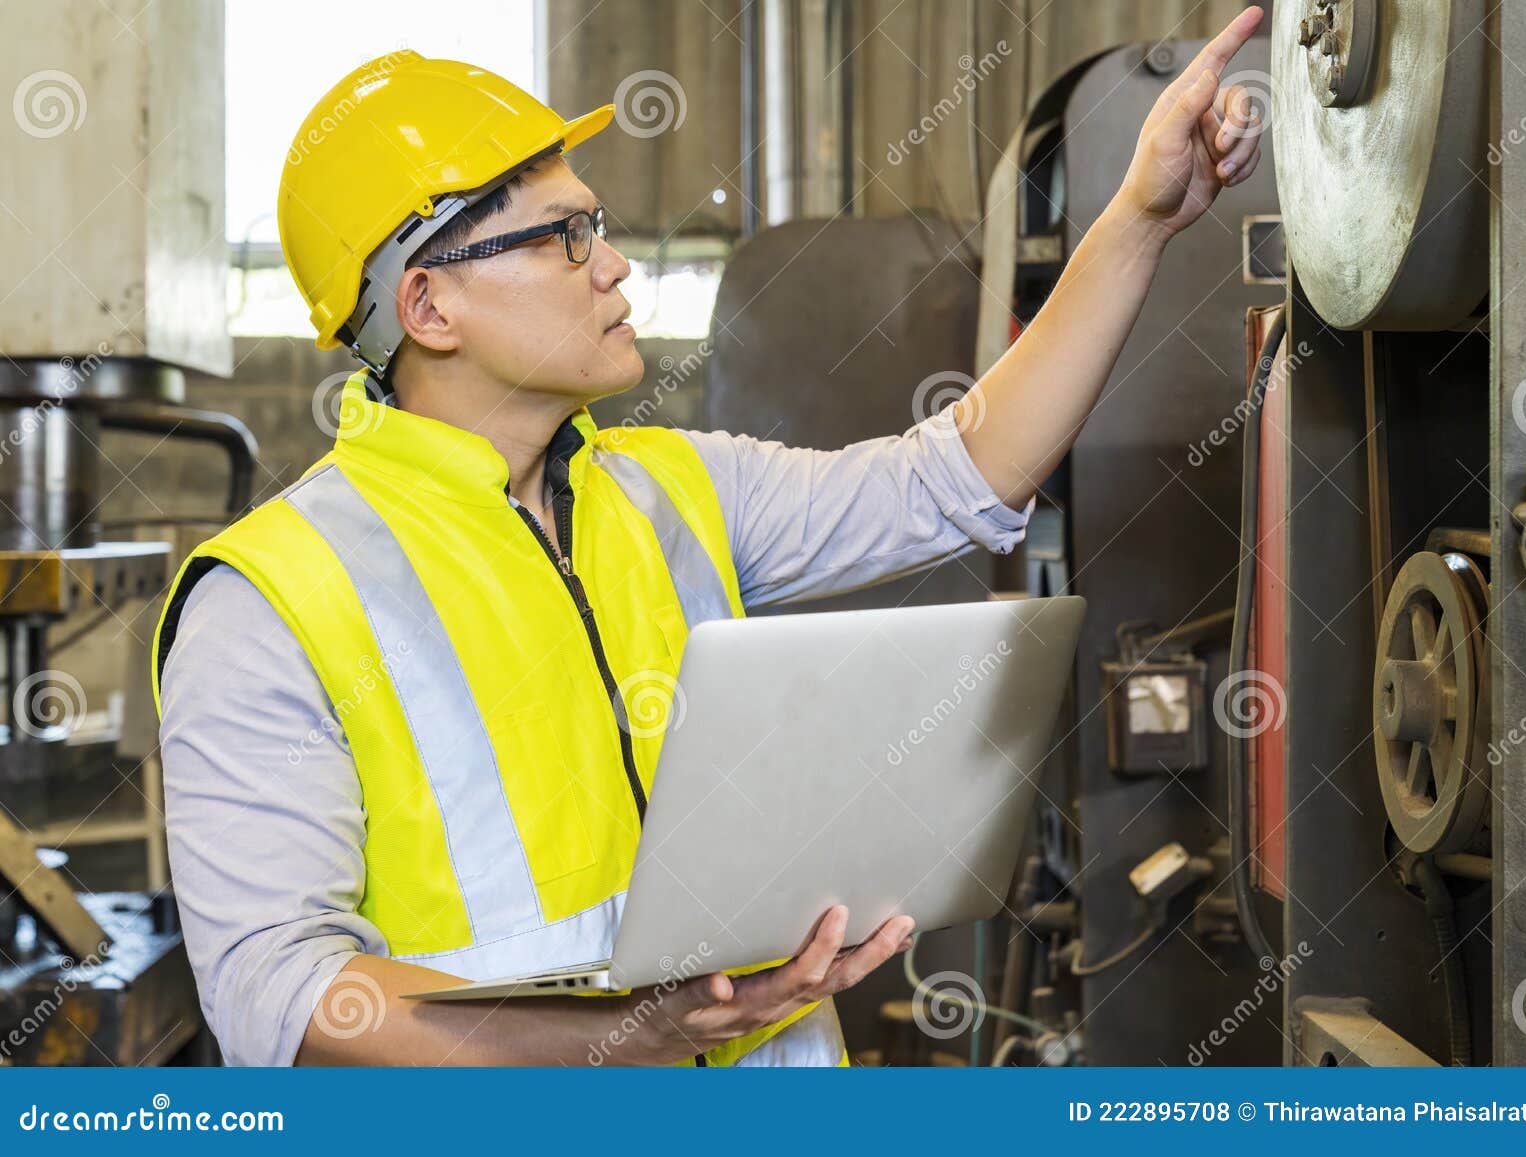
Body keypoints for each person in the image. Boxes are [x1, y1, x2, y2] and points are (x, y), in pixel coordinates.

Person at [154, 8, 1266, 1066]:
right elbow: (283, 991)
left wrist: (1137, 220)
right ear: (430, 307)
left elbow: (956, 475)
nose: (613, 261)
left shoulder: (674, 488)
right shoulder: (270, 598)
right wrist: (624, 1039)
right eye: (566, 235)